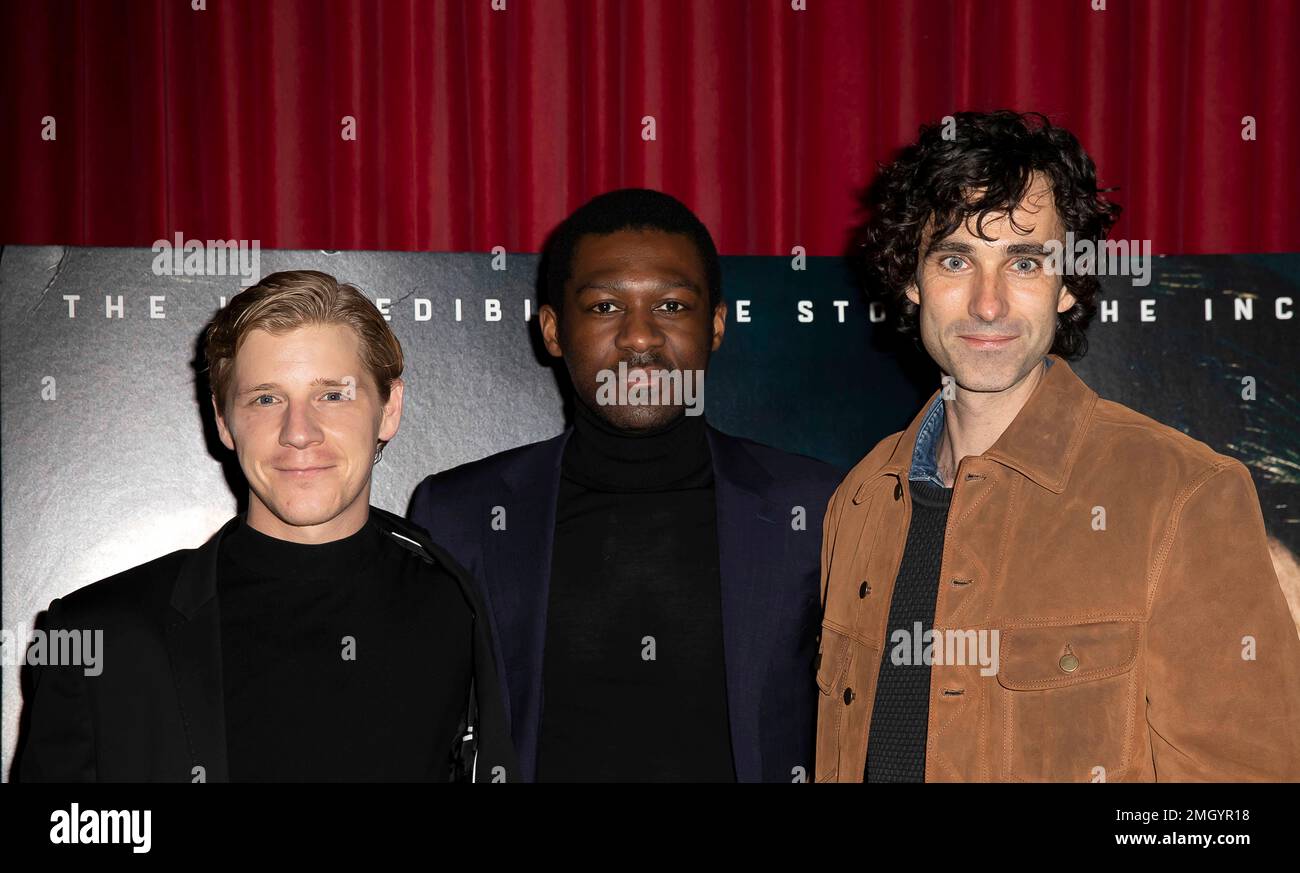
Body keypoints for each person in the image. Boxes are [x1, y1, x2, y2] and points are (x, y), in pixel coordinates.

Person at [817, 111, 1300, 782]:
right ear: (910, 279)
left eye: (1024, 262)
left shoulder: (1185, 495)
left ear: (1068, 284)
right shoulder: (860, 500)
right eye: (956, 259)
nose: (988, 304)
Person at [410, 189, 841, 782]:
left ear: (715, 326)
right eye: (605, 306)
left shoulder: (819, 508)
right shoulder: (460, 512)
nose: (640, 338)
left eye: (670, 305)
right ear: (554, 331)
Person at [17, 270, 514, 782]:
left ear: (389, 410)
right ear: (224, 421)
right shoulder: (102, 631)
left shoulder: (460, 610)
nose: (299, 432)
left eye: (333, 395)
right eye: (266, 399)